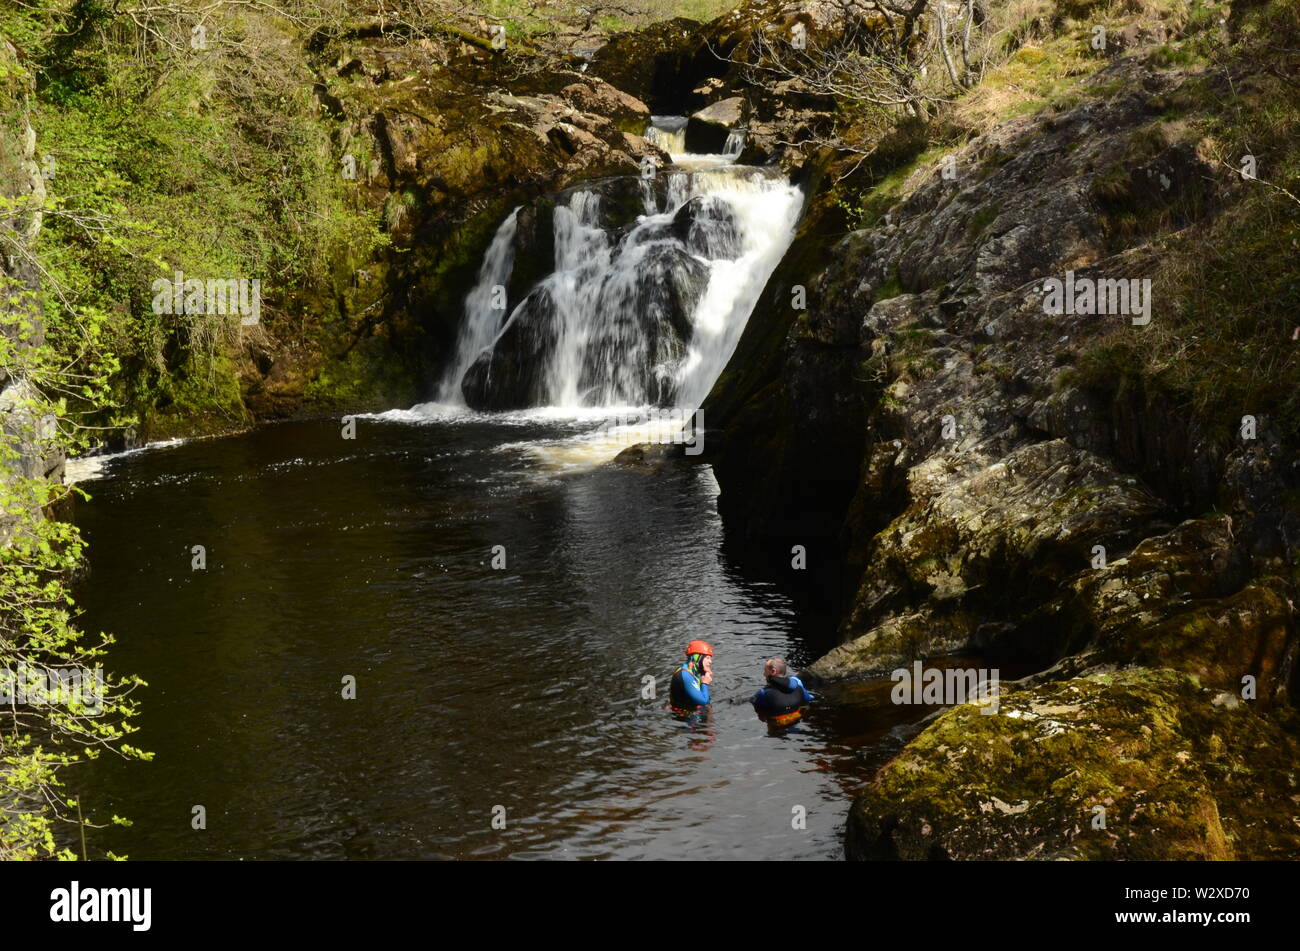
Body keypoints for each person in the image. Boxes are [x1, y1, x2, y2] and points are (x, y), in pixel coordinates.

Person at [750, 657, 814, 726]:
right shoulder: (798, 683)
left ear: (773, 671)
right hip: (797, 718)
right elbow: (809, 698)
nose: (764, 674)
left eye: (765, 671)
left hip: (778, 725)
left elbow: (760, 715)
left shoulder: (764, 693)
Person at [669, 640, 713, 715]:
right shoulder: (686, 675)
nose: (710, 661)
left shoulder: (690, 672)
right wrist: (705, 683)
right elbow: (704, 703)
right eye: (707, 658)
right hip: (686, 720)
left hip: (688, 712)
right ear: (697, 659)